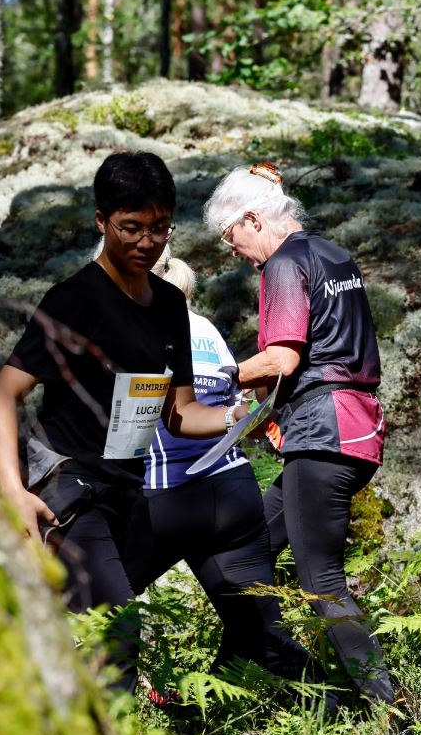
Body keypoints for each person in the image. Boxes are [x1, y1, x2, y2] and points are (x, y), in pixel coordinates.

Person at [0, 152, 245, 690]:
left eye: (160, 227)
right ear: (102, 221)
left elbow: (180, 413)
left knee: (89, 631)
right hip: (72, 494)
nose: (147, 242)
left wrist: (236, 417)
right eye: (131, 227)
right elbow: (2, 396)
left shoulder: (169, 304)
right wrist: (13, 491)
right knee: (120, 634)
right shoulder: (75, 300)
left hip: (131, 493)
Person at [203, 162, 395, 705]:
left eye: (230, 237)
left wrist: (220, 376)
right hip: (351, 429)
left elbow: (283, 358)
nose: (233, 251)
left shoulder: (284, 263)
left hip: (322, 432)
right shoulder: (334, 254)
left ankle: (390, 714)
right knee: (248, 554)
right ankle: (216, 685)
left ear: (252, 219)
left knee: (321, 582)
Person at [129, 251, 312, 683]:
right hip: (233, 492)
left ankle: (105, 711)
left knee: (89, 601)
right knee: (263, 632)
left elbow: (125, 425)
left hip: (166, 495)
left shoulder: (137, 329)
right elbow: (234, 404)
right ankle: (340, 705)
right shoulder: (207, 330)